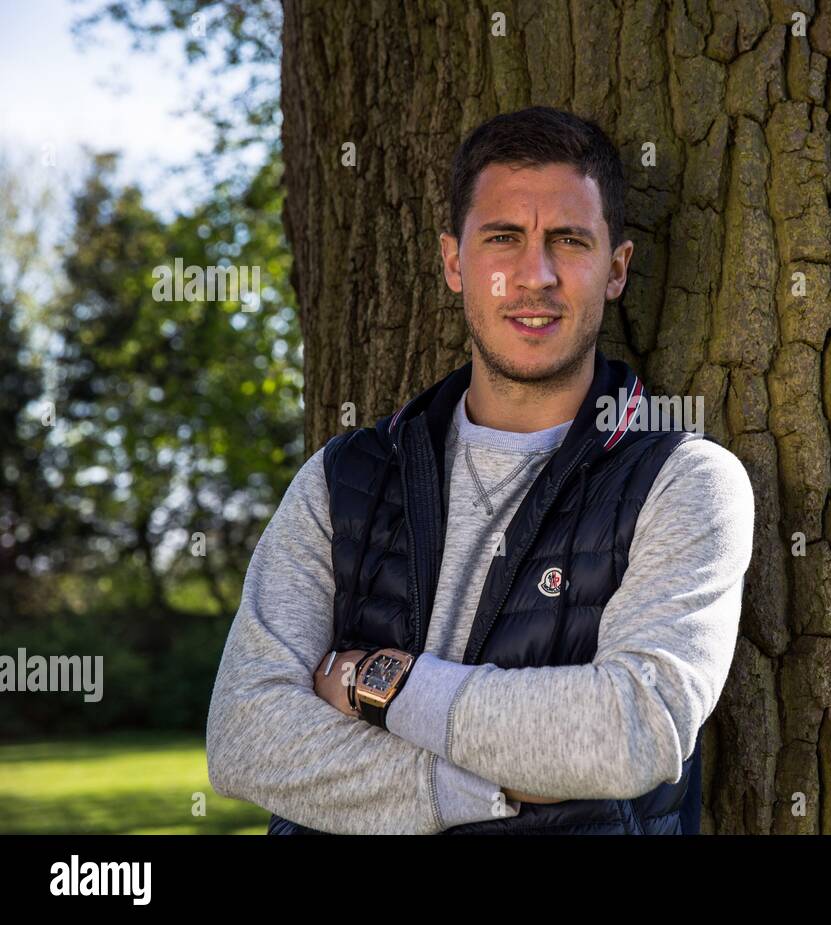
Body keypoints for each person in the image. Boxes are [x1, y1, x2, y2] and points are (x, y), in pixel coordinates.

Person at [205, 106, 755, 834]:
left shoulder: (685, 482)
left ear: (615, 270)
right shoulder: (344, 478)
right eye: (503, 238)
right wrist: (475, 788)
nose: (537, 276)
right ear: (454, 262)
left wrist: (378, 683)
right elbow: (245, 736)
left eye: (569, 240)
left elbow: (634, 729)